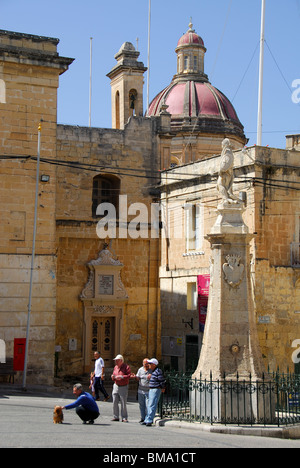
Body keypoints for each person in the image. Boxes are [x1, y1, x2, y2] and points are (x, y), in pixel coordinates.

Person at [143, 358, 166, 427]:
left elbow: (161, 380)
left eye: (150, 364)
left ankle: (149, 420)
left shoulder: (158, 371)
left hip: (155, 389)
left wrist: (163, 388)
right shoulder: (153, 371)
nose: (148, 365)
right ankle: (147, 419)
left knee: (152, 404)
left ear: (153, 365)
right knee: (150, 404)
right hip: (152, 389)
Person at [111, 354, 131, 423]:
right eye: (116, 360)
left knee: (123, 402)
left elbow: (129, 375)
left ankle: (124, 417)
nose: (116, 362)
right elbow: (114, 374)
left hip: (123, 386)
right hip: (116, 385)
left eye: (117, 360)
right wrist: (113, 376)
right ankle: (115, 416)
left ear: (121, 361)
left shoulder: (126, 367)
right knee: (114, 401)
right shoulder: (115, 367)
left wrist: (122, 377)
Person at [133, 358, 152, 424]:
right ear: (143, 364)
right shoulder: (140, 370)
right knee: (141, 405)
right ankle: (143, 418)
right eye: (145, 364)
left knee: (147, 405)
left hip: (148, 391)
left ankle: (147, 418)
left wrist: (151, 376)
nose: (146, 365)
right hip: (141, 390)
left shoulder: (151, 370)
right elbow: (138, 378)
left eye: (147, 364)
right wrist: (135, 377)